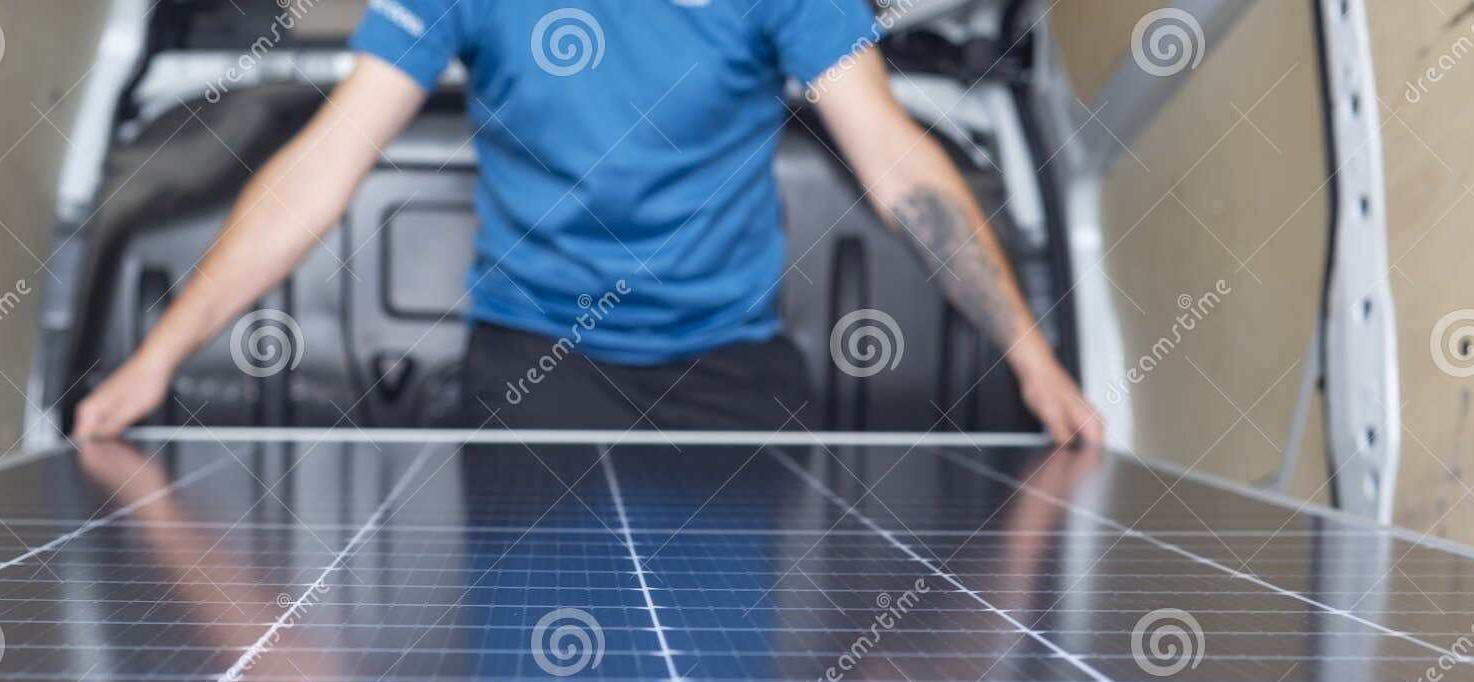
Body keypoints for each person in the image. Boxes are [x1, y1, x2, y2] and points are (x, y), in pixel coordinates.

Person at [74, 0, 1103, 445]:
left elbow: (898, 165)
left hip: (733, 379)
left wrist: (1033, 357)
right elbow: (319, 167)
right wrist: (160, 354)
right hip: (534, 373)